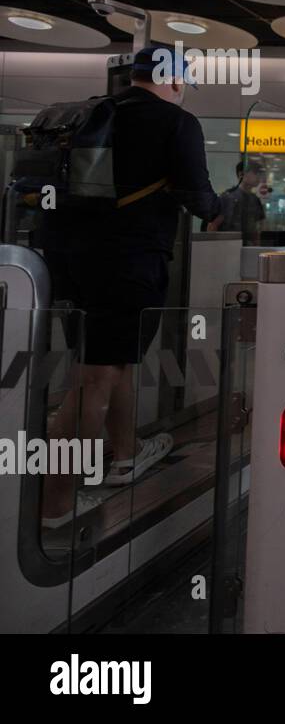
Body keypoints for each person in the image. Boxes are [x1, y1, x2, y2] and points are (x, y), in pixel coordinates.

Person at [41, 46, 222, 529]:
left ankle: (124, 456)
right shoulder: (176, 123)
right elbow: (198, 195)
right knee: (92, 380)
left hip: (69, 260)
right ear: (175, 82)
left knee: (107, 360)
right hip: (128, 261)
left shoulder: (95, 111)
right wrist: (217, 206)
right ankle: (52, 506)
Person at [210, 159, 266, 245]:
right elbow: (213, 226)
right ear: (241, 174)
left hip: (247, 248)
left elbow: (256, 230)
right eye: (255, 172)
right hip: (227, 247)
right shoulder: (227, 197)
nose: (258, 177)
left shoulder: (255, 200)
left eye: (259, 173)